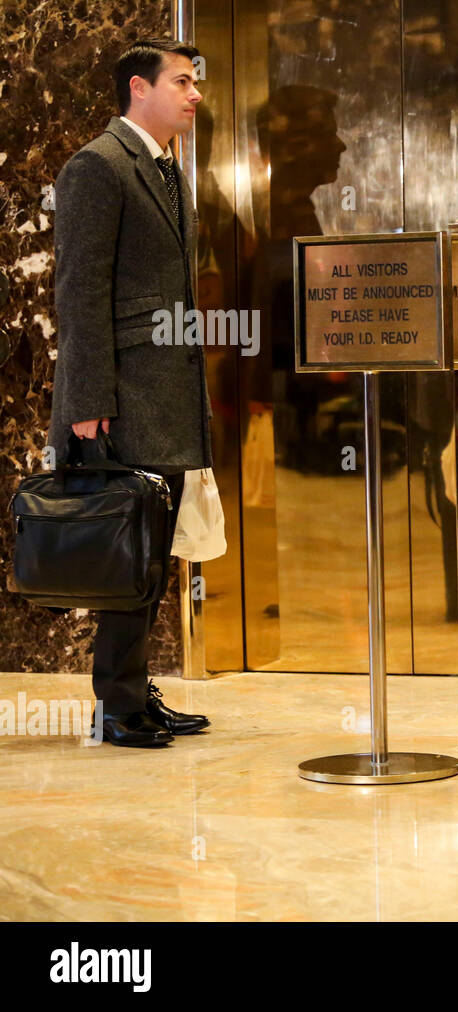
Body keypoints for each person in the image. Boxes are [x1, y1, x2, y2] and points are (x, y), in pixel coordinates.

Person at [47, 38, 213, 747]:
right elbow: (80, 291)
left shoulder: (166, 168)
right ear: (139, 88)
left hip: (164, 395)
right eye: (182, 81)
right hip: (117, 400)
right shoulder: (97, 166)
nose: (195, 93)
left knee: (150, 554)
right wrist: (86, 403)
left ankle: (137, 690)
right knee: (125, 554)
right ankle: (116, 707)